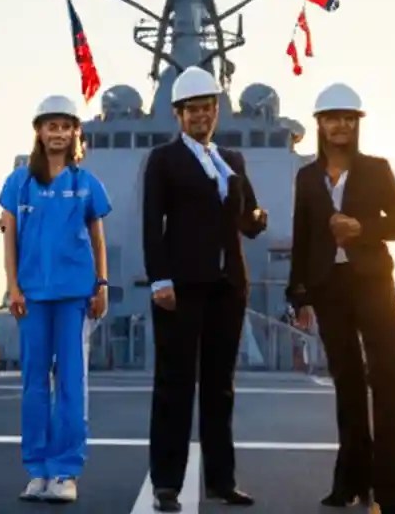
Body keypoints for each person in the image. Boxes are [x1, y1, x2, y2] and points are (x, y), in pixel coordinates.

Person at [142, 66, 268, 512]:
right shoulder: (163, 160)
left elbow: (248, 219)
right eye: (192, 109)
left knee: (220, 388)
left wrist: (258, 219)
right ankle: (166, 483)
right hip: (181, 287)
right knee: (174, 385)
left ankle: (222, 480)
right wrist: (160, 280)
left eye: (207, 108)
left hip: (227, 287)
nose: (201, 116)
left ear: (217, 110)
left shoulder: (231, 161)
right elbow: (152, 224)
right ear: (178, 115)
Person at [285, 83, 395, 514]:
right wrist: (297, 293)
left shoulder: (378, 169)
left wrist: (363, 228)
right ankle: (351, 481)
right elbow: (302, 236)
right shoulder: (306, 177)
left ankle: (394, 492)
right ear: (319, 124)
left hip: (373, 283)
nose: (340, 125)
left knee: (387, 384)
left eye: (348, 118)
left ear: (357, 124)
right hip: (328, 288)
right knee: (348, 385)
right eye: (332, 118)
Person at [0, 94, 112, 504]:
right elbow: (9, 235)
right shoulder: (18, 183)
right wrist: (13, 286)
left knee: (70, 384)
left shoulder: (86, 184)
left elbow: (98, 238)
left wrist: (102, 285)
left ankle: (65, 470)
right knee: (33, 385)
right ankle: (37, 469)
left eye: (66, 126)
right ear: (39, 132)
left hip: (74, 296)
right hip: (32, 296)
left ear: (75, 132)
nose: (59, 133)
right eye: (51, 126)